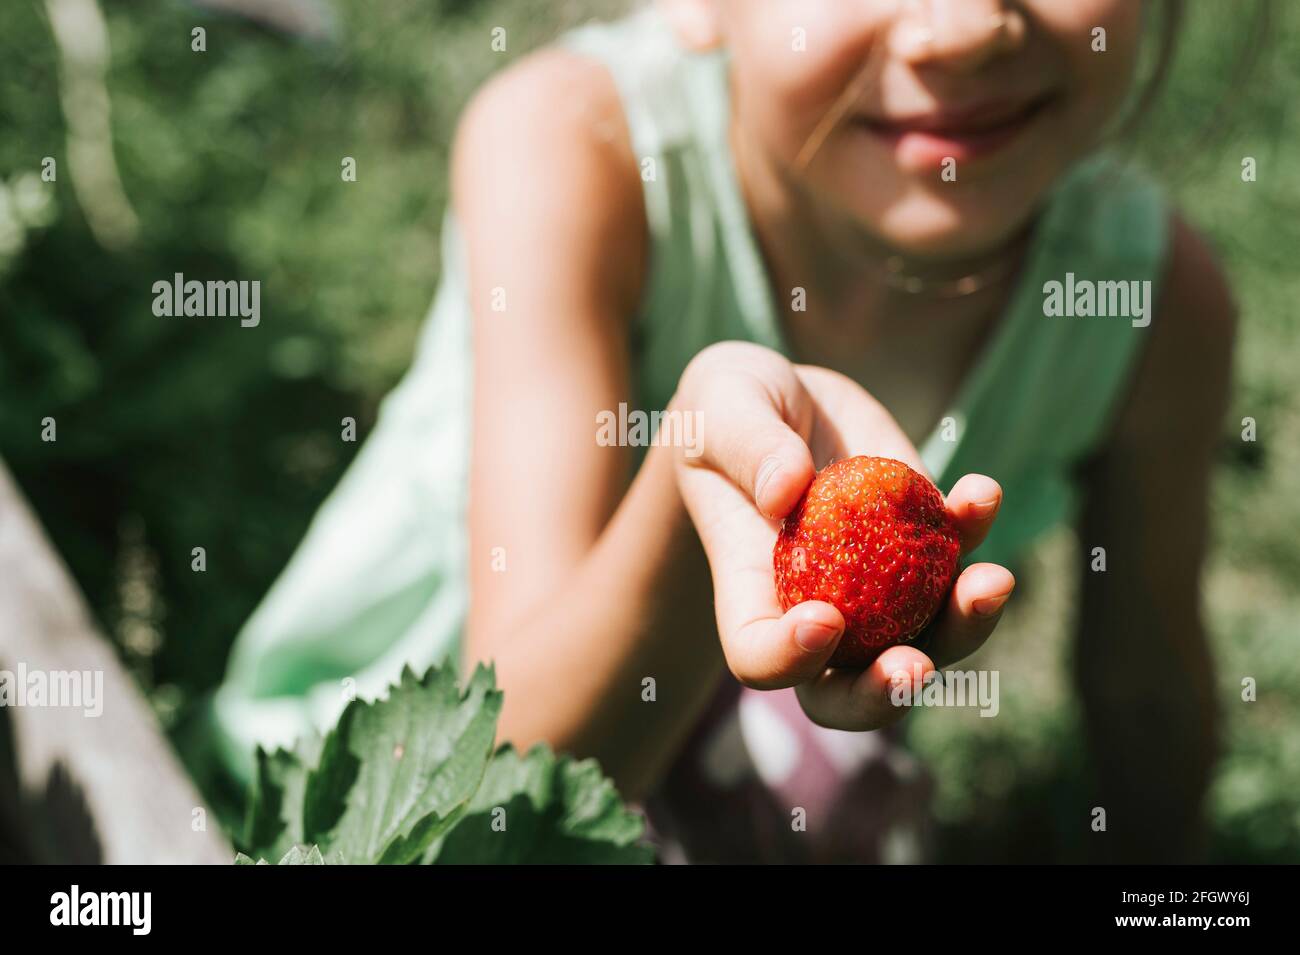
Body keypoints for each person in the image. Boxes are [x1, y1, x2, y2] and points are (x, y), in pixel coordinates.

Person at [210, 0, 1232, 862]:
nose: (962, 29)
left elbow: (1146, 695)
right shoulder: (575, 150)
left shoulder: (1146, 300)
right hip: (387, 793)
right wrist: (687, 486)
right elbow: (503, 796)